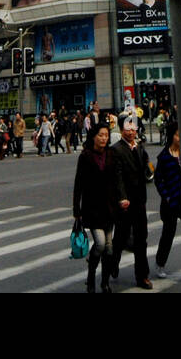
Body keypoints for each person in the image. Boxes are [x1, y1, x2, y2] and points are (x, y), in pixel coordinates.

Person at [109, 113, 153, 289]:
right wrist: (122, 197)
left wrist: (150, 171)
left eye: (133, 127)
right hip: (125, 203)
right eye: (127, 128)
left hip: (140, 200)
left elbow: (148, 168)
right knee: (121, 236)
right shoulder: (116, 150)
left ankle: (142, 276)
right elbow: (117, 176)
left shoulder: (140, 148)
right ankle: (114, 261)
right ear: (121, 130)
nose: (131, 131)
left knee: (141, 238)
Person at [73, 123, 117, 293]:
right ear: (94, 137)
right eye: (101, 135)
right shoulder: (85, 156)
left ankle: (104, 282)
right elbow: (79, 184)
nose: (104, 138)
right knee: (99, 244)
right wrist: (76, 209)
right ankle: (91, 278)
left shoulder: (111, 154)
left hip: (109, 207)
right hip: (92, 208)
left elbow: (116, 180)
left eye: (106, 135)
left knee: (109, 247)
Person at [152, 121, 181, 278]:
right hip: (171, 202)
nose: (180, 138)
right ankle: (160, 263)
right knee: (168, 234)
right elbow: (158, 180)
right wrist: (167, 196)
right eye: (177, 134)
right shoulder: (164, 156)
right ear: (172, 136)